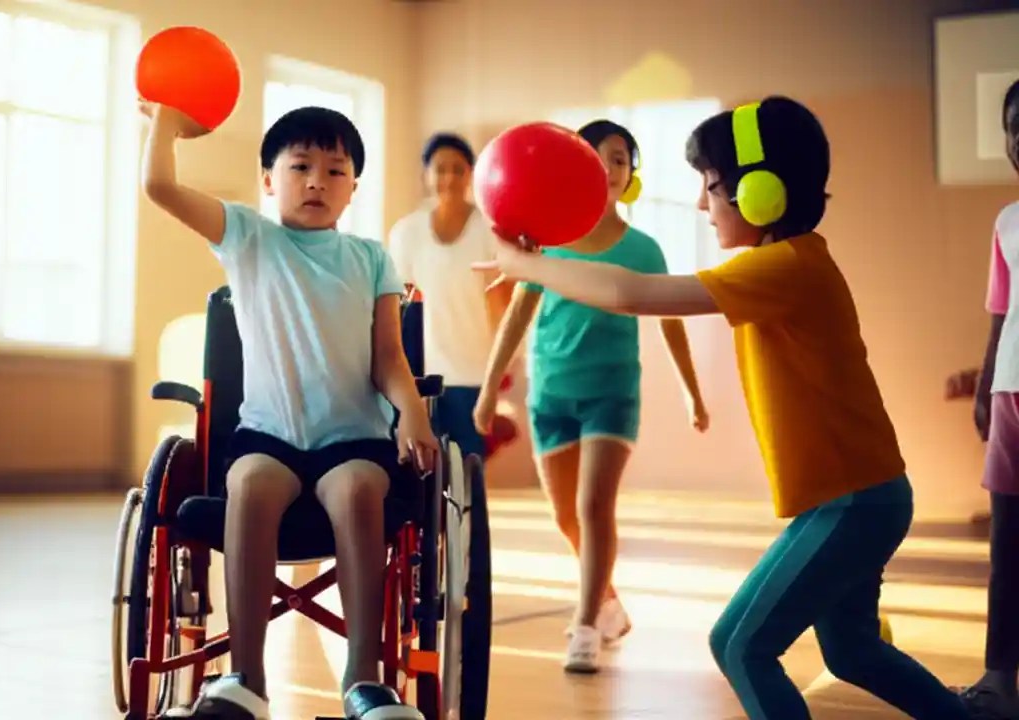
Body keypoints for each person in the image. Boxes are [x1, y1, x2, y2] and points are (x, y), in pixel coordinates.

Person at [474, 95, 972, 719]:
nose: (700, 205)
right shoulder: (787, 264)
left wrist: (529, 264)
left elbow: (631, 293)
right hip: (860, 499)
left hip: (852, 505)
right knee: (852, 651)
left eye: (710, 186)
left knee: (739, 646)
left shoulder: (787, 267)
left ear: (760, 192)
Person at [139, 102, 436, 720]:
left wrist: (412, 409)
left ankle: (363, 679)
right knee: (247, 483)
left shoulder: (371, 258)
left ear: (353, 187)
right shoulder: (248, 237)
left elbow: (388, 356)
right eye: (300, 166)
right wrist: (166, 121)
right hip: (268, 437)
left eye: (335, 170)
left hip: (353, 439)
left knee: (358, 490)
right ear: (269, 179)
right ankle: (246, 678)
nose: (316, 181)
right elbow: (160, 186)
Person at [472, 119, 709, 673]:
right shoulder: (548, 247)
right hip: (551, 395)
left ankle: (583, 626)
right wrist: (488, 391)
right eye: (596, 156)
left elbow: (671, 322)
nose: (608, 167)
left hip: (612, 396)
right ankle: (606, 600)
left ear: (631, 173)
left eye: (619, 158)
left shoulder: (644, 250)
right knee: (566, 517)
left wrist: (692, 393)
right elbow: (517, 317)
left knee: (593, 506)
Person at [944, 77, 1019, 720]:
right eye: (1014, 128)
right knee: (1007, 545)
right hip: (1011, 397)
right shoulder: (1007, 222)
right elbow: (1001, 310)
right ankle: (999, 680)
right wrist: (987, 381)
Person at [387, 132, 514, 462]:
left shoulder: (490, 230)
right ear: (426, 175)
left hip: (475, 370)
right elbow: (400, 304)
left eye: (459, 169)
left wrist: (504, 365)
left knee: (469, 463)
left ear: (471, 175)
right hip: (422, 373)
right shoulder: (407, 232)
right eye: (440, 169)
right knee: (427, 468)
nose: (449, 178)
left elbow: (503, 303)